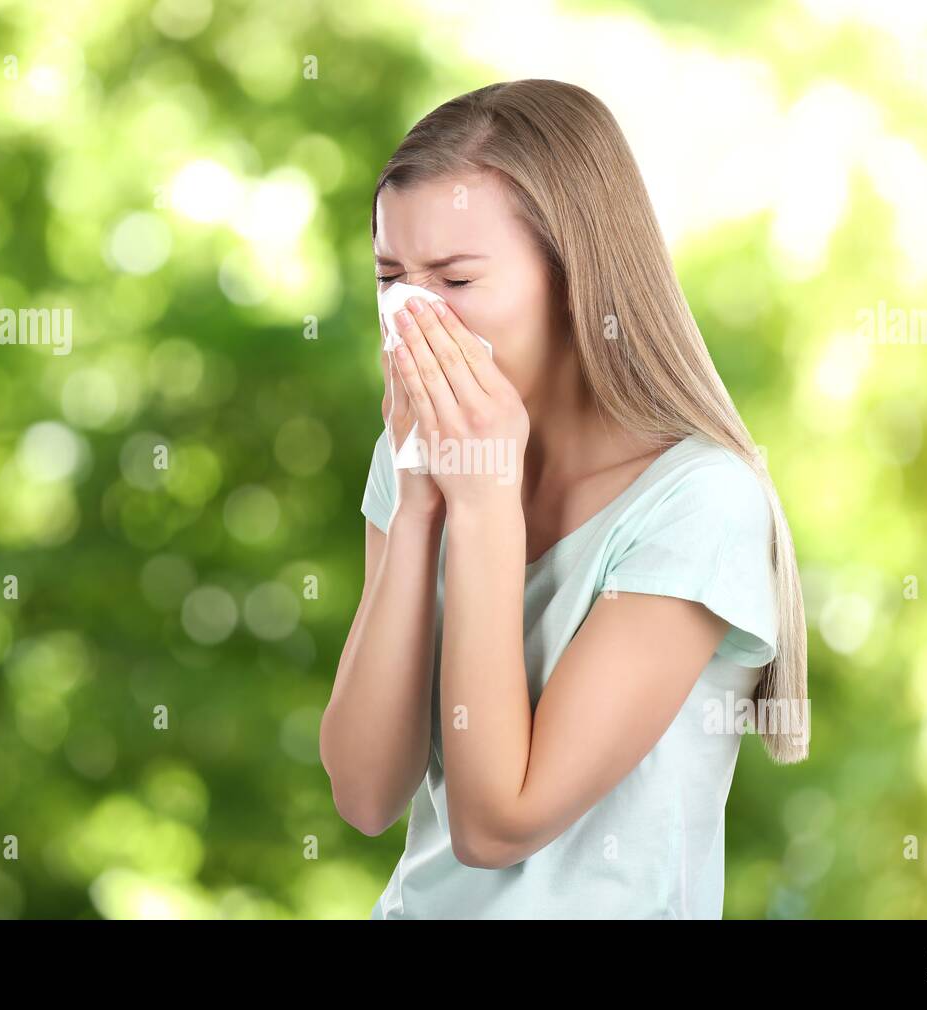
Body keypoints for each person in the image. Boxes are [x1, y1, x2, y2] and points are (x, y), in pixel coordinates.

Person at [319, 79, 810, 920]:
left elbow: (497, 824)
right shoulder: (415, 462)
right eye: (391, 276)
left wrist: (482, 510)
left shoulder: (701, 503)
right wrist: (418, 505)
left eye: (456, 279)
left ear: (574, 279)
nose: (411, 318)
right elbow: (365, 794)